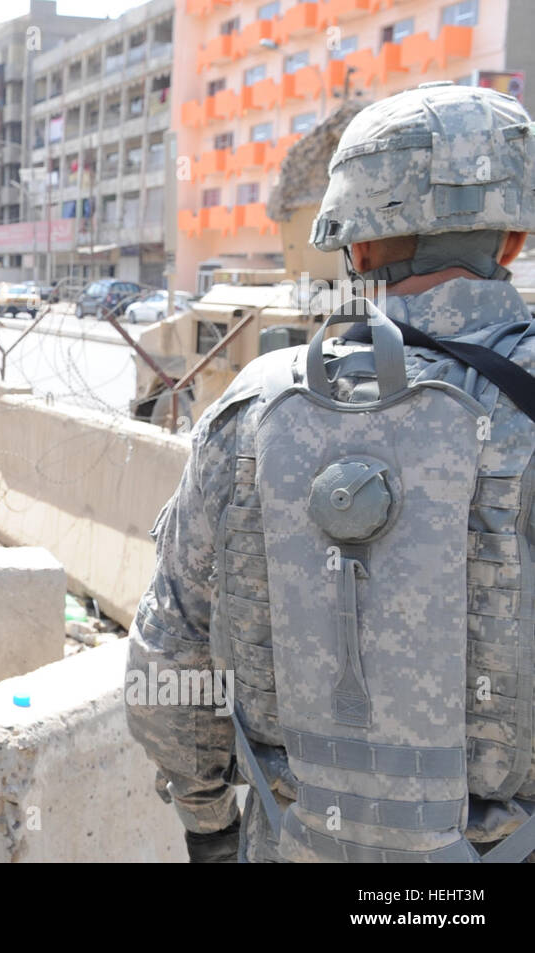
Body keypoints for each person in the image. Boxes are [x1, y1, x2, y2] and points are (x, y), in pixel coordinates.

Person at [126, 82, 535, 863]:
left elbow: (169, 656)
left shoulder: (253, 410)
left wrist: (208, 825)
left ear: (359, 246)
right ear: (513, 239)